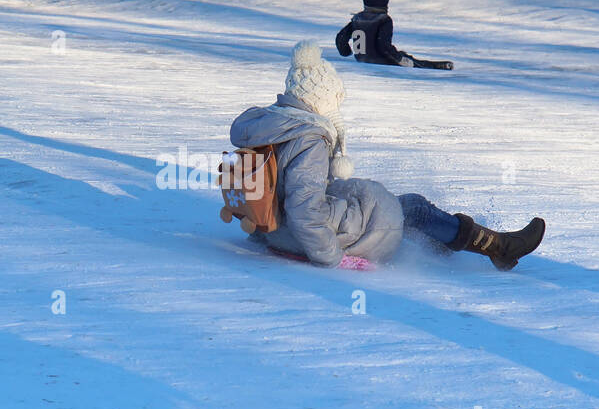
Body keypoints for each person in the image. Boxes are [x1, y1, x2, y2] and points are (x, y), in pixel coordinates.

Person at [227, 41, 545, 271]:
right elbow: (305, 211)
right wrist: (331, 258)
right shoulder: (308, 139)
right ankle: (500, 248)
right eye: (333, 100)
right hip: (312, 237)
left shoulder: (269, 125)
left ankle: (455, 245)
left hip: (277, 234)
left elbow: (271, 194)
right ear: (319, 99)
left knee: (405, 210)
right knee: (412, 209)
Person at [335, 0, 416, 67]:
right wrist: (399, 59)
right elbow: (384, 47)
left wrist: (346, 52)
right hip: (381, 61)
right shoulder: (383, 19)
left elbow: (341, 38)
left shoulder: (357, 18)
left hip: (361, 58)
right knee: (414, 62)